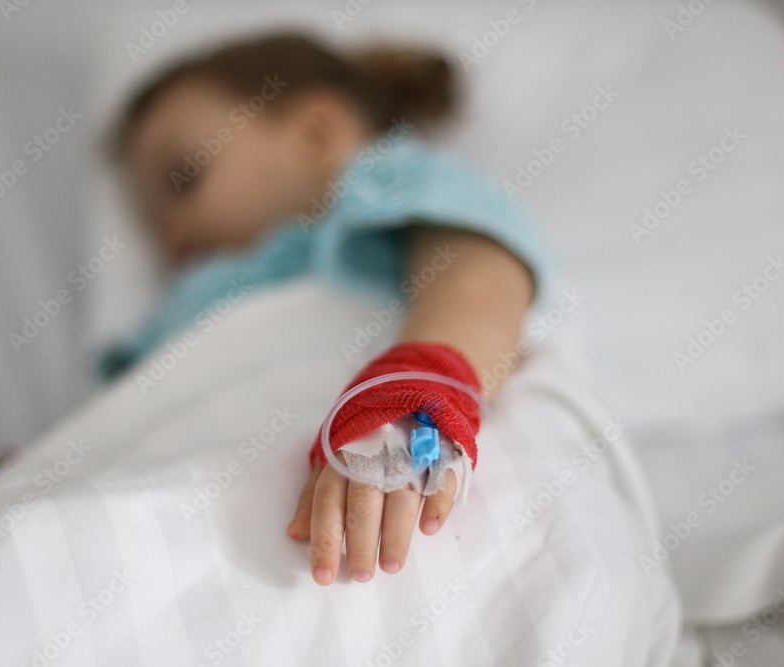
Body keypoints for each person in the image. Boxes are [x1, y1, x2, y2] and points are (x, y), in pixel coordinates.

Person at [101, 32, 552, 586]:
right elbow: (114, 422)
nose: (169, 232)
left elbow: (480, 275)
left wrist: (412, 390)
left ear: (316, 133)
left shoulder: (381, 186)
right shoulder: (181, 308)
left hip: (325, 483)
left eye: (185, 178)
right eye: (152, 221)